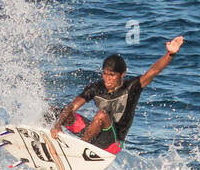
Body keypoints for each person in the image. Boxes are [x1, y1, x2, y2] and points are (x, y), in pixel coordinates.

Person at [50, 36, 185, 153]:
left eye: (112, 75)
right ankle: (47, 139)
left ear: (122, 75)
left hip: (112, 143)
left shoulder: (131, 87)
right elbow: (72, 107)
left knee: (101, 115)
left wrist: (170, 54)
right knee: (56, 111)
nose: (107, 79)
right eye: (105, 74)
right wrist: (57, 124)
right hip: (94, 134)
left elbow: (153, 71)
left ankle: (78, 147)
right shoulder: (96, 88)